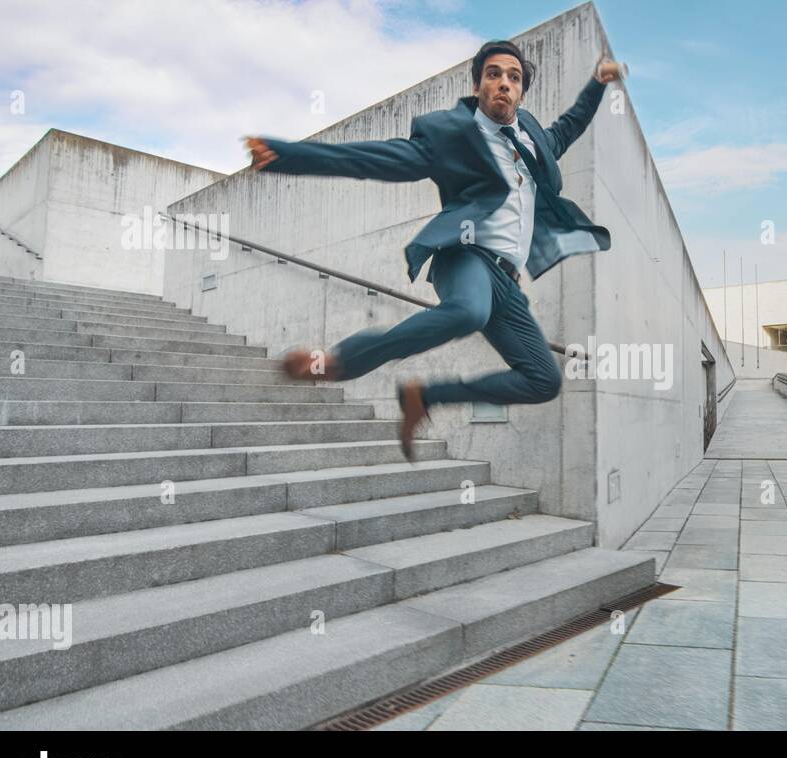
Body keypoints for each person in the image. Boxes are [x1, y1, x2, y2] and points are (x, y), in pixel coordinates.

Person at [245, 40, 624, 459]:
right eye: (493, 74)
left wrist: (597, 82)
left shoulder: (533, 142)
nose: (503, 84)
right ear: (478, 84)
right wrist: (288, 155)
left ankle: (425, 396)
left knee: (543, 380)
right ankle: (338, 363)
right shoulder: (454, 136)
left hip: (508, 284)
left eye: (513, 78)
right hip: (464, 257)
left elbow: (569, 125)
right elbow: (375, 159)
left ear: (521, 91)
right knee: (468, 310)